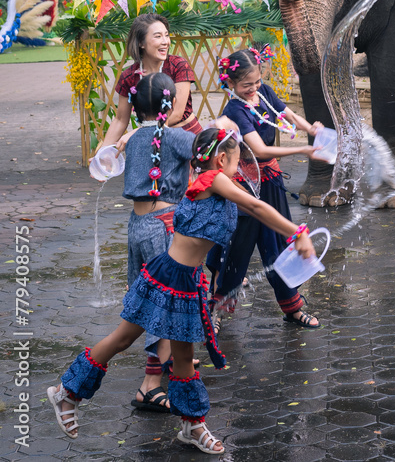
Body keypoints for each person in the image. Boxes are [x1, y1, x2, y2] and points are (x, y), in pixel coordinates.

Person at [48, 128, 317, 455]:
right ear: (220, 160)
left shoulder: (209, 180)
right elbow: (257, 208)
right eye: (236, 161)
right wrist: (297, 232)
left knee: (185, 357)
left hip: (187, 281)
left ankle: (192, 426)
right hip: (169, 278)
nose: (240, 168)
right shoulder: (213, 180)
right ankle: (67, 391)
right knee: (123, 339)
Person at [119, 73, 236, 413]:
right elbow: (209, 149)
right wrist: (222, 125)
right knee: (166, 308)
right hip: (161, 225)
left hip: (137, 225)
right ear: (174, 104)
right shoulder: (173, 138)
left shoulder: (137, 137)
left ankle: (170, 365)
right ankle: (150, 385)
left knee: (149, 302)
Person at [208, 47, 324, 330]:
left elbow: (288, 114)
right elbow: (258, 149)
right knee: (238, 251)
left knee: (280, 248)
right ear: (231, 84)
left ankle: (292, 307)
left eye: (257, 81)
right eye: (246, 85)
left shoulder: (264, 93)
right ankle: (216, 309)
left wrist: (311, 128)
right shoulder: (235, 108)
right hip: (246, 188)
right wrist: (304, 150)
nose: (254, 88)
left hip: (270, 183)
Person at [101, 14, 201, 152]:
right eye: (158, 36)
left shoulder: (177, 65)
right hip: (152, 143)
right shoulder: (129, 77)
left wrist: (138, 132)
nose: (165, 41)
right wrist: (102, 154)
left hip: (186, 138)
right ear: (141, 43)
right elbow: (120, 120)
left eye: (166, 35)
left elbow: (176, 113)